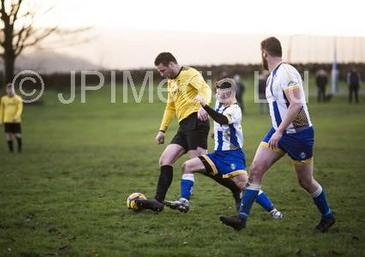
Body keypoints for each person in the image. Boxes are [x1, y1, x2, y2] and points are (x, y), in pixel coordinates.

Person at [219, 37, 335, 232]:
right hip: (278, 132)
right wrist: (278, 130)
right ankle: (242, 219)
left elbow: (296, 103)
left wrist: (280, 131)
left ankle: (328, 216)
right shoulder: (273, 75)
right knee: (255, 170)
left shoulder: (287, 72)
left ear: (264, 53)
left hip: (298, 134)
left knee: (305, 181)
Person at [136, 52, 244, 212]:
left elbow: (205, 90)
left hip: (197, 122)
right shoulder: (171, 83)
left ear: (172, 64)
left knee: (200, 165)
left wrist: (204, 107)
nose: (161, 74)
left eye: (163, 70)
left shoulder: (190, 74)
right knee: (165, 160)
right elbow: (170, 107)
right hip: (184, 127)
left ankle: (235, 190)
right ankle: (158, 202)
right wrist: (162, 130)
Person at [164, 79, 283, 219]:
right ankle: (184, 201)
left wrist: (204, 106)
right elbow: (218, 120)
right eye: (217, 93)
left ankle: (273, 211)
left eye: (221, 94)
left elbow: (222, 119)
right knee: (187, 166)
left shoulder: (235, 109)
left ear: (229, 94)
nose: (218, 97)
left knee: (246, 185)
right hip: (218, 156)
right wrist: (215, 131)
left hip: (233, 156)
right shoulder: (219, 103)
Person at [0, 83, 23, 153]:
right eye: (8, 89)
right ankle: (11, 150)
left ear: (14, 90)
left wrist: (16, 116)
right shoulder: (3, 99)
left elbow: (20, 109)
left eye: (11, 89)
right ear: (6, 90)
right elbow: (1, 110)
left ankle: (19, 147)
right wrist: (0, 120)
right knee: (8, 135)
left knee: (17, 135)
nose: (10, 90)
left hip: (16, 120)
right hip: (7, 120)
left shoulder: (18, 99)